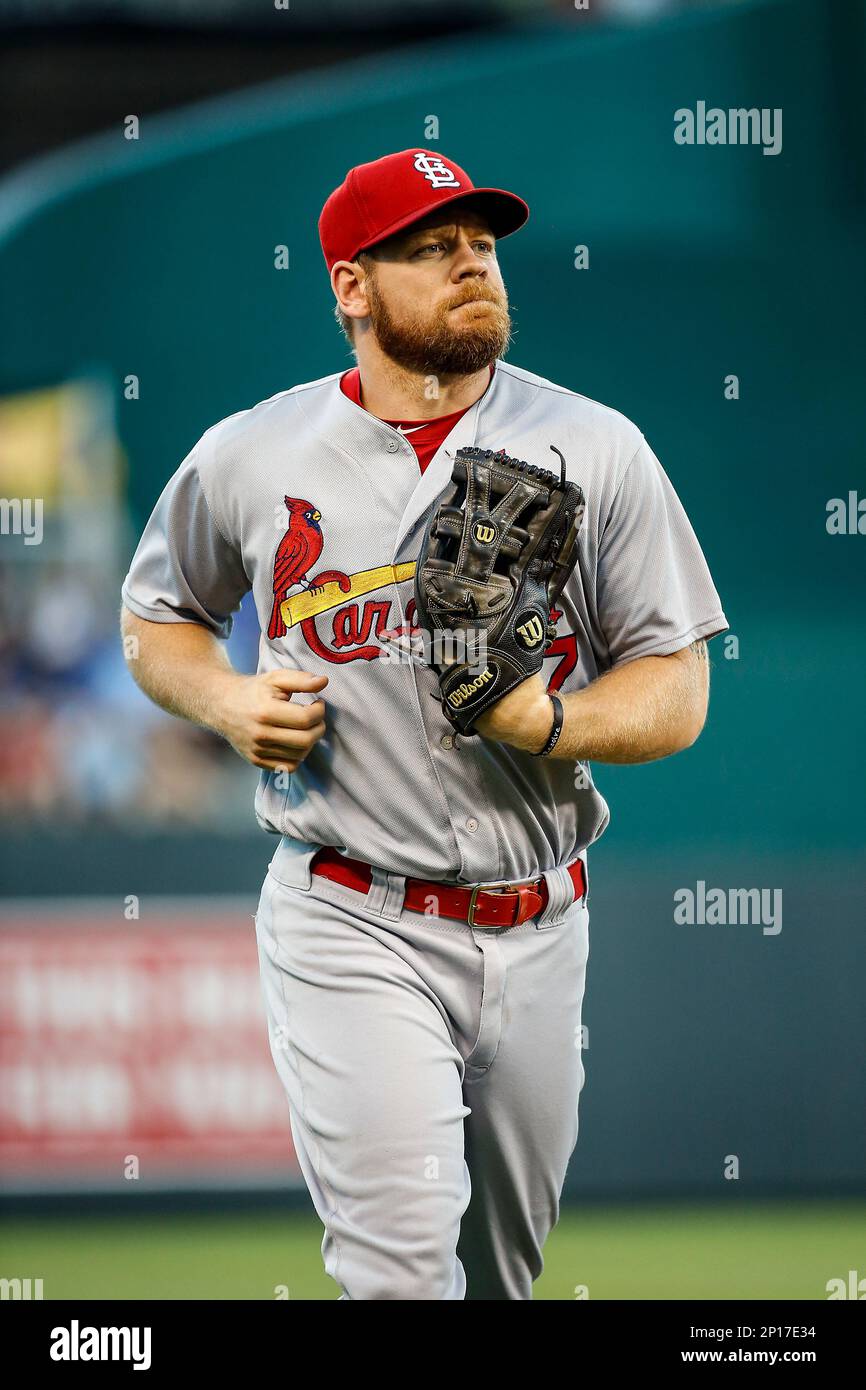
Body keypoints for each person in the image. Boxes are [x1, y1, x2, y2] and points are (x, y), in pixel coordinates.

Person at [120, 148, 728, 1300]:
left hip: (541, 916)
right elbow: (158, 618)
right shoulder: (253, 453)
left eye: (482, 245)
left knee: (501, 1279)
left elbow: (677, 687)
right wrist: (226, 698)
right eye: (428, 247)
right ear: (351, 286)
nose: (470, 265)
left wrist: (546, 720)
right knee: (400, 1274)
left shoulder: (594, 446)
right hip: (349, 908)